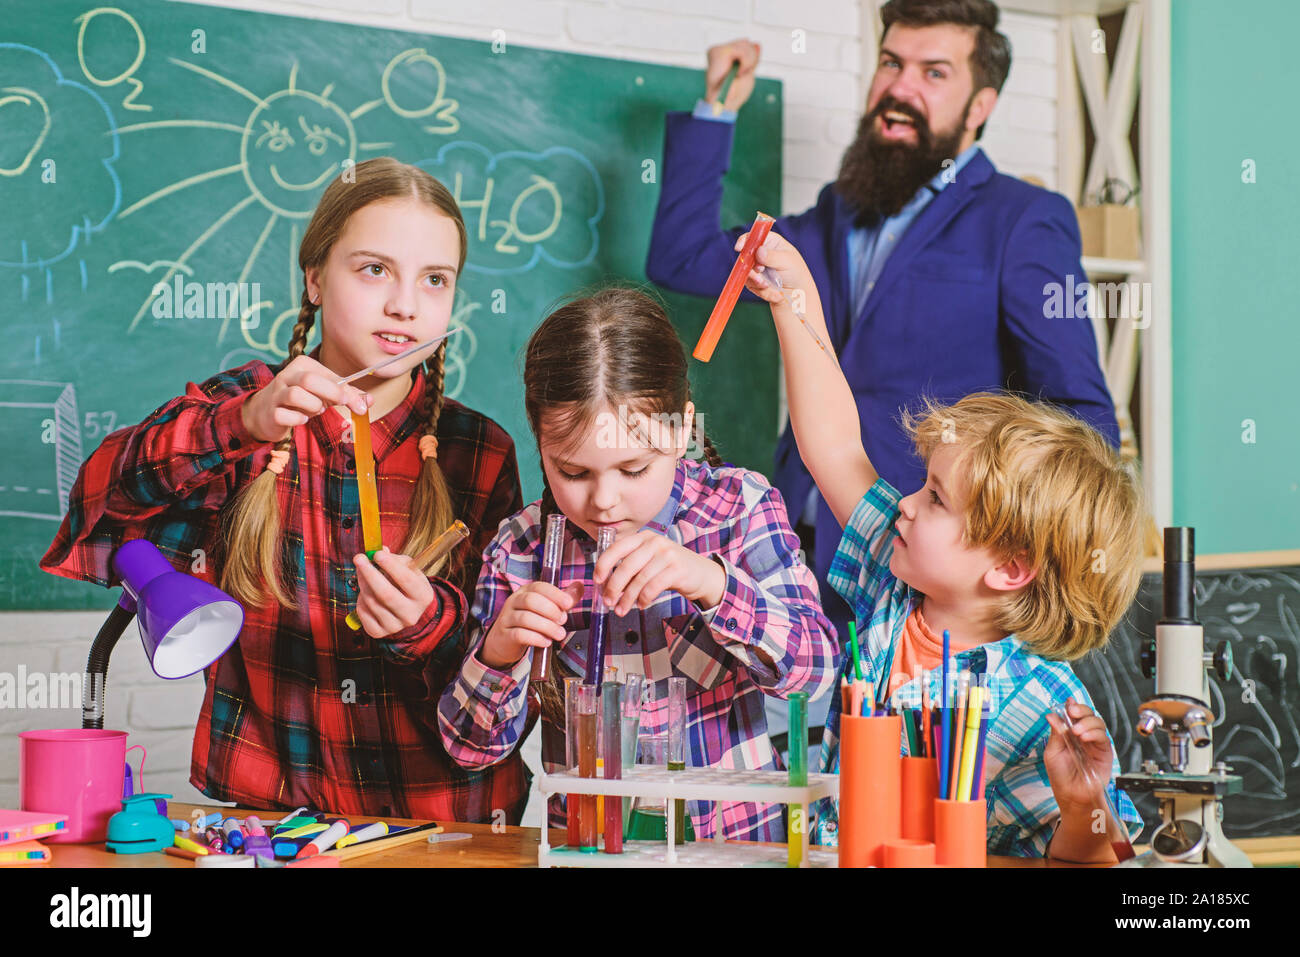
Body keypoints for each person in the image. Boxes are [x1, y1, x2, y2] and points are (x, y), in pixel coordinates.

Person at [41, 158, 528, 823]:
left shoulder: (482, 451)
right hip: (278, 829)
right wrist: (238, 423)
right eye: (374, 269)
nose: (405, 305)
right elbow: (96, 512)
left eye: (435, 280)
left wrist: (427, 626)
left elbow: (503, 688)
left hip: (446, 828)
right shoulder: (241, 410)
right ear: (315, 279)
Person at [646, 0, 1120, 641]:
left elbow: (1083, 422)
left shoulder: (1024, 220)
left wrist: (998, 563)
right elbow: (682, 257)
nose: (900, 87)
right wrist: (717, 108)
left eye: (934, 73)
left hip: (923, 568)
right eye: (892, 63)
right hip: (796, 545)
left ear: (981, 105)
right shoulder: (837, 213)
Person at [742, 227, 1142, 858]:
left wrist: (1084, 807)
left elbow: (1106, 861)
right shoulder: (895, 580)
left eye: (934, 498)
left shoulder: (1043, 702)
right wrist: (795, 299)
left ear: (1010, 567)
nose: (904, 502)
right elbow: (837, 448)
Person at [438, 286, 836, 841]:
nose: (603, 500)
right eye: (574, 473)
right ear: (541, 444)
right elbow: (469, 749)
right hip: (593, 848)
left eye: (633, 469)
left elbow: (813, 674)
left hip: (735, 849)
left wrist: (711, 583)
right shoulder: (523, 549)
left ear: (682, 431)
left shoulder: (738, 508)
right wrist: (500, 652)